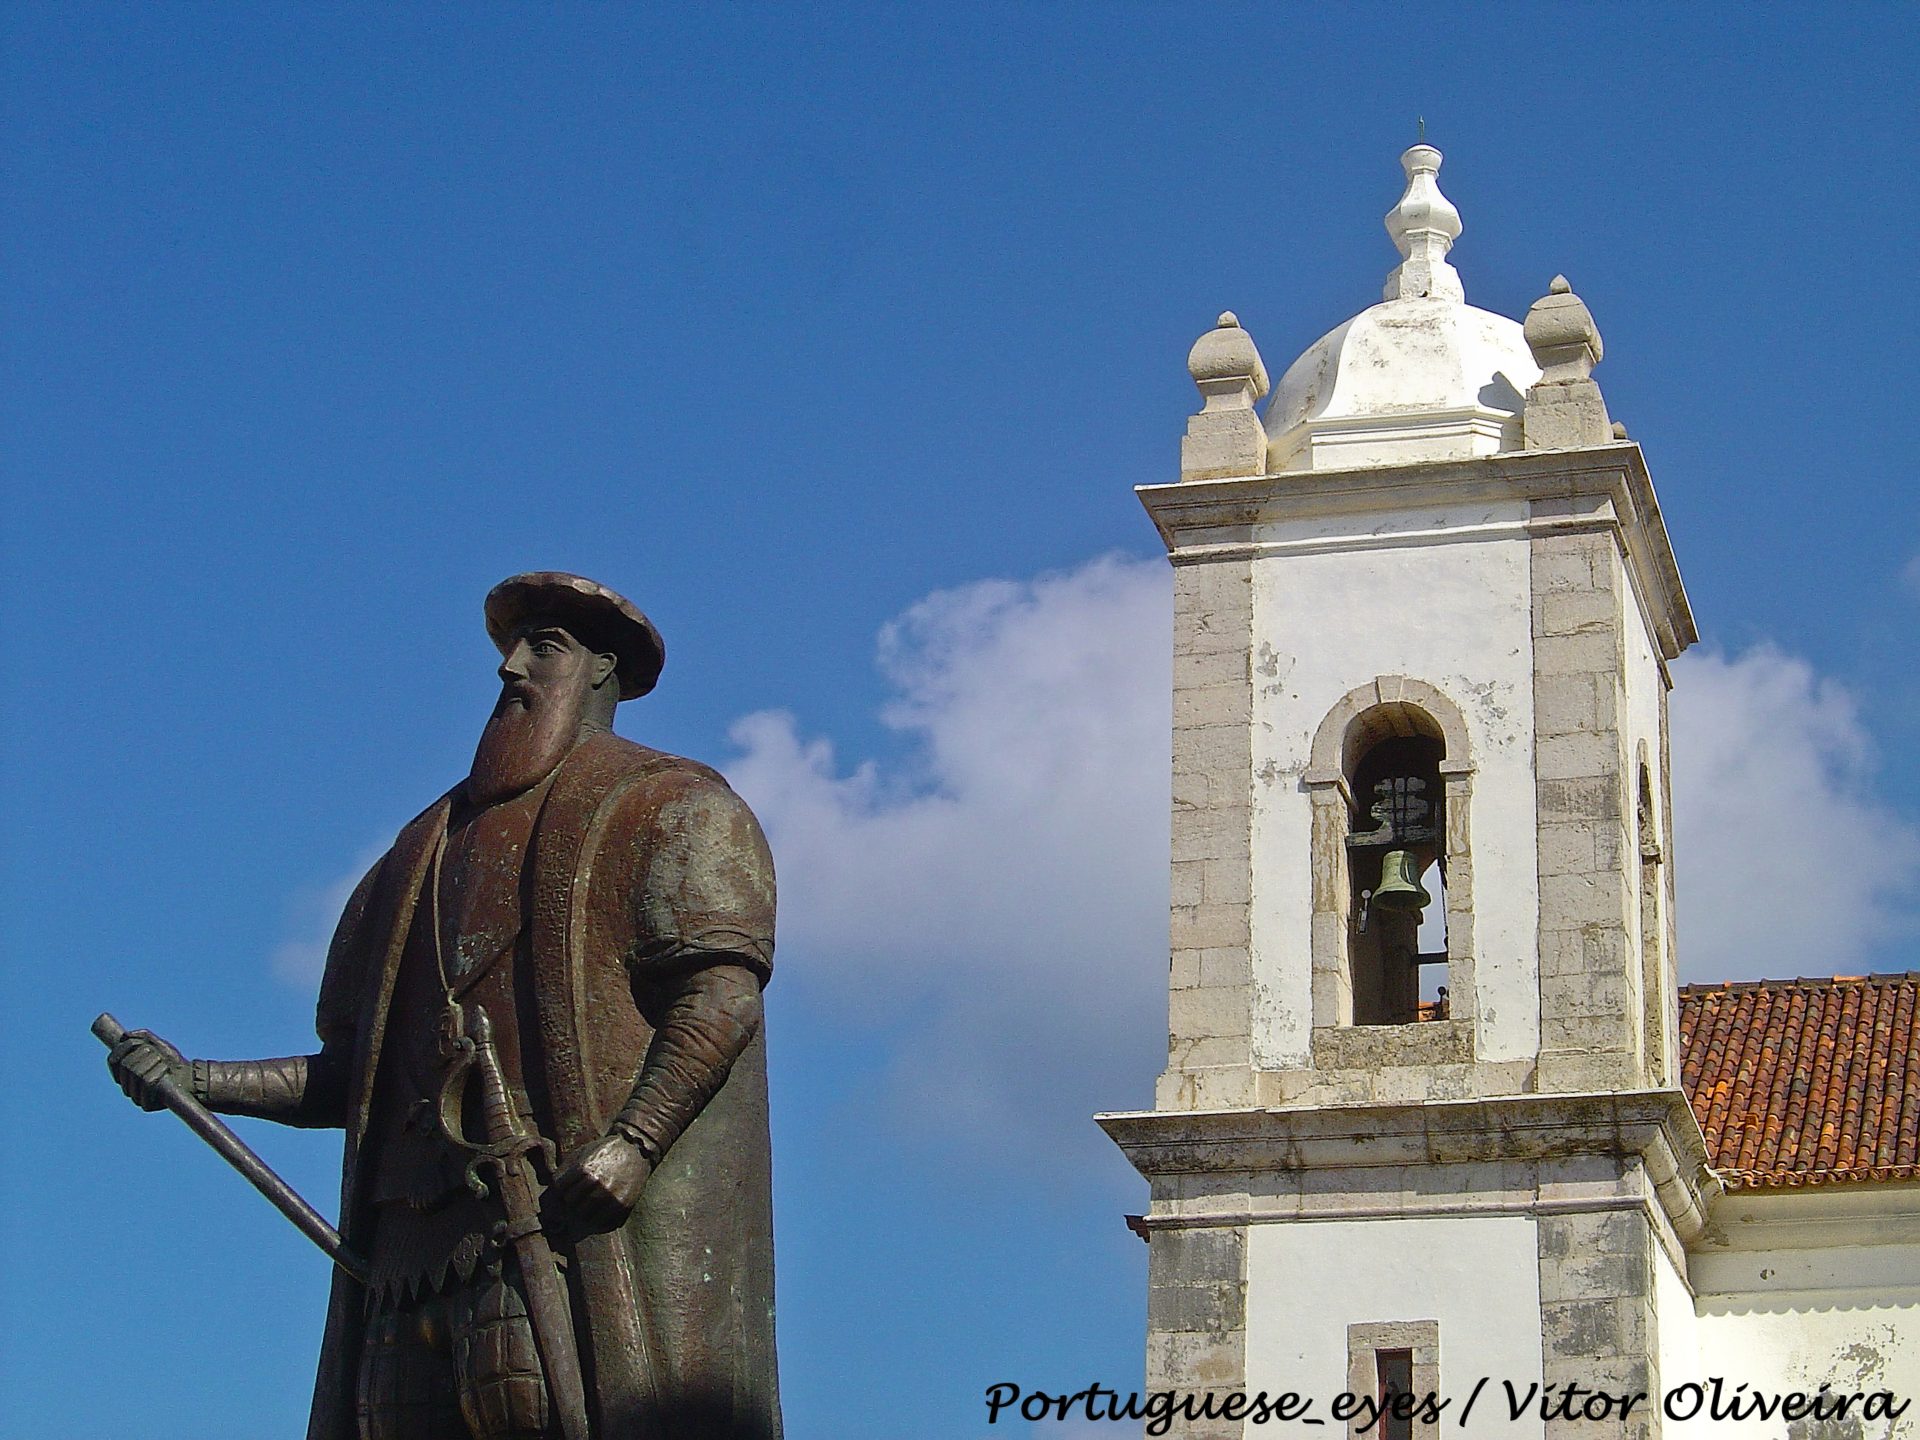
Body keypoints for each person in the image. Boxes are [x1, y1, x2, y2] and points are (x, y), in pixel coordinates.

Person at [109, 572, 781, 1440]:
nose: (510, 668)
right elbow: (353, 1081)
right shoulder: (412, 856)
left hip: (546, 1232)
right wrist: (196, 1079)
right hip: (405, 1265)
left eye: (545, 647)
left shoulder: (669, 803)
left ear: (603, 671)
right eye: (511, 646)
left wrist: (633, 1143)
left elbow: (721, 997)